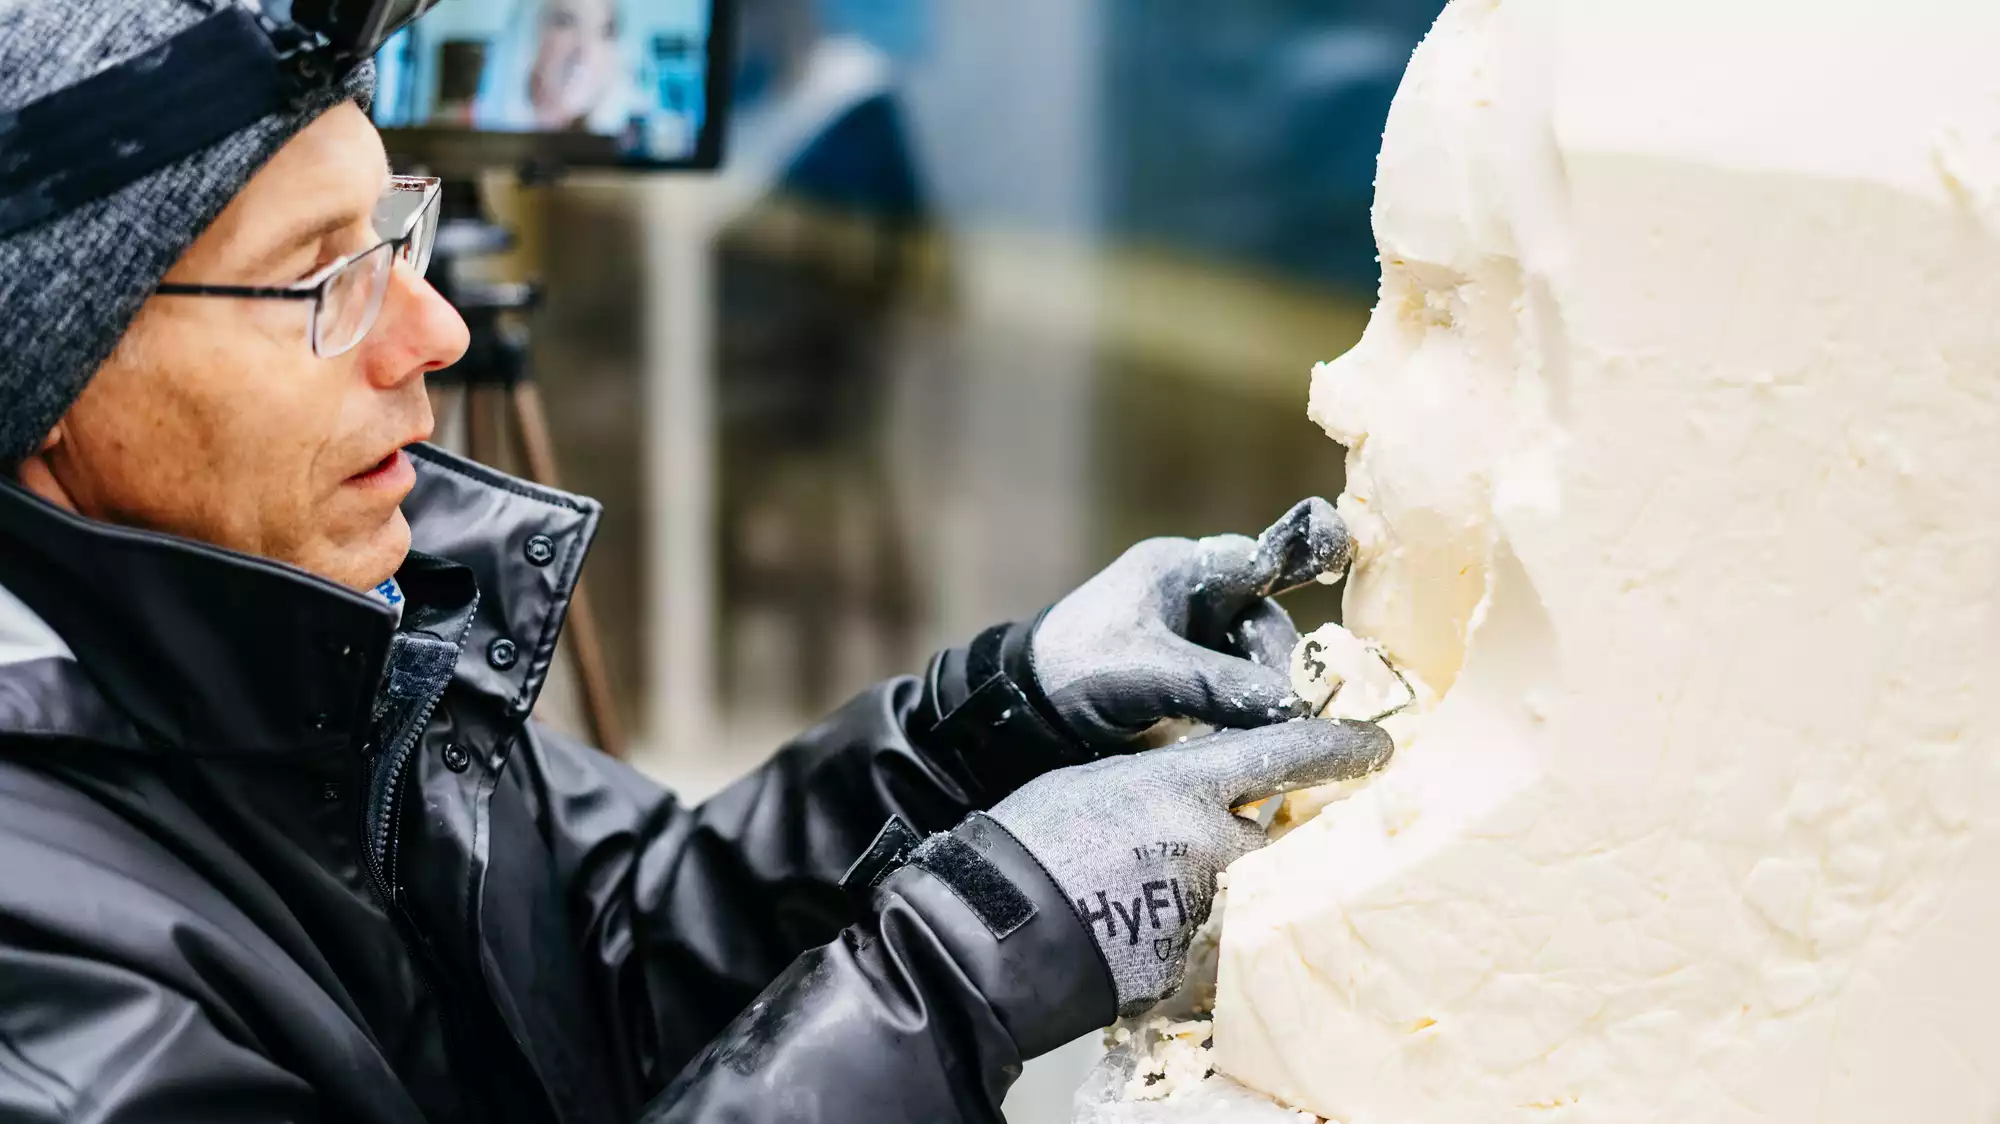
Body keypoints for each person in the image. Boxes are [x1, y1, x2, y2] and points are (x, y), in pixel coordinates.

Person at [0, 4, 1391, 1122]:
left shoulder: (316, 647)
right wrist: (967, 964)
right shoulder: (38, 989)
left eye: (391, 234)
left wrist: (995, 720)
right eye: (320, 274)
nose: (435, 333)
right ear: (48, 370)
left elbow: (611, 966)